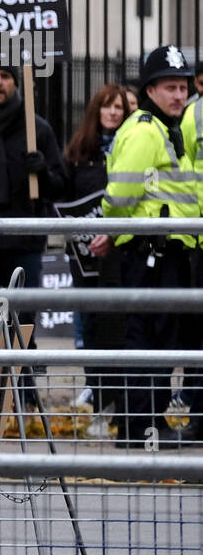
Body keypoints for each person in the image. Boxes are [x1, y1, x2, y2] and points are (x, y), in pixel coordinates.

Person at [103, 44, 197, 447]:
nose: (178, 95)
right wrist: (115, 227)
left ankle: (148, 427)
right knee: (146, 346)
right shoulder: (145, 130)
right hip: (149, 255)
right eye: (170, 87)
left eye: (183, 87)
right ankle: (139, 431)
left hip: (168, 254)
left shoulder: (166, 129)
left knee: (160, 346)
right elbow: (120, 195)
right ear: (150, 90)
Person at [0, 64, 66, 342]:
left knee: (21, 324)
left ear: (16, 84)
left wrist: (42, 171)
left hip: (23, 243)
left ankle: (21, 385)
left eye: (5, 77)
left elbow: (61, 186)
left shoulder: (38, 129)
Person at [63, 83, 132, 436]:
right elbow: (62, 194)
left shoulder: (131, 146)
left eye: (119, 107)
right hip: (83, 256)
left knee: (115, 329)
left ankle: (117, 406)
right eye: (107, 107)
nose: (113, 113)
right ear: (96, 111)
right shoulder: (79, 151)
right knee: (89, 329)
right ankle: (99, 400)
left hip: (118, 258)